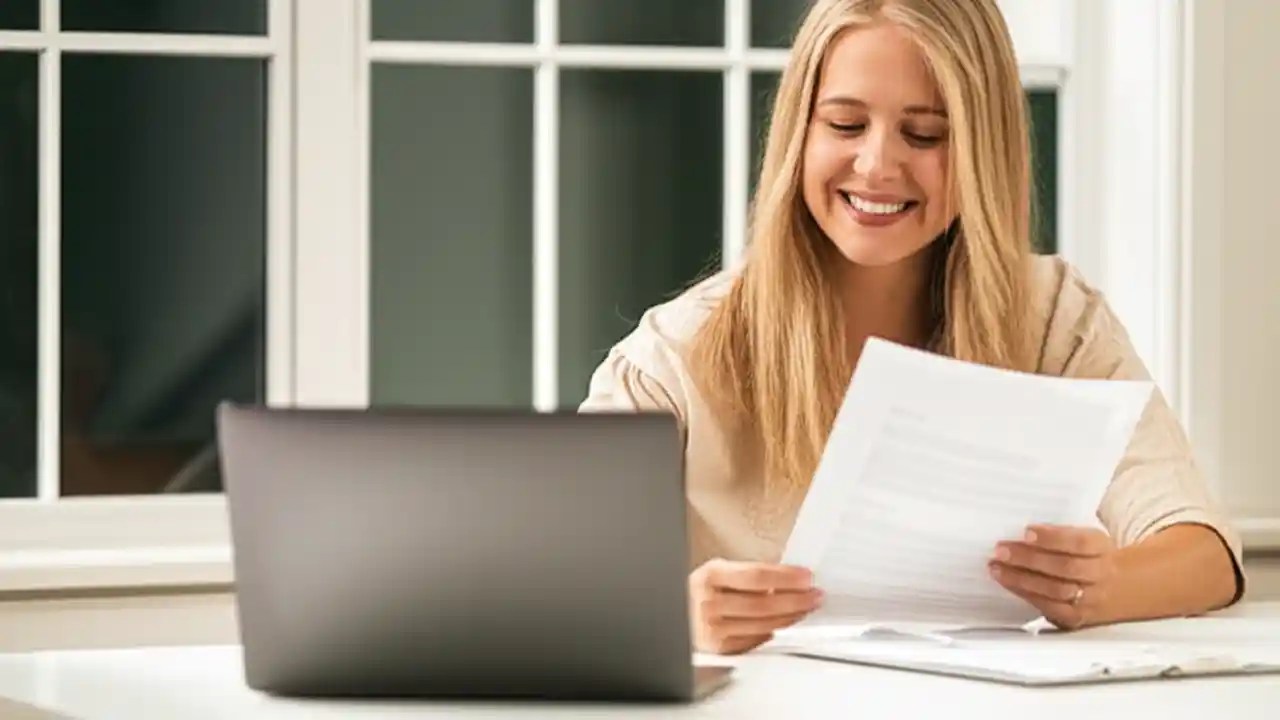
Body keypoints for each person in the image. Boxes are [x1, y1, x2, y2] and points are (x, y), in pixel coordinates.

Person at [579, 0, 1244, 655]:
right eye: (844, 124)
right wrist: (672, 615)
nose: (876, 165)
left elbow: (1205, 551)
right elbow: (560, 579)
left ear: (983, 149)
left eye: (925, 135)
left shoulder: (1055, 321)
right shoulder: (676, 356)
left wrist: (1105, 586)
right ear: (797, 134)